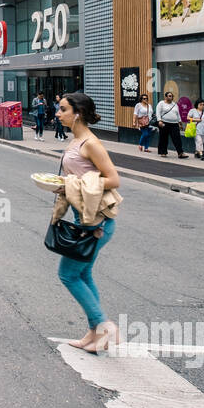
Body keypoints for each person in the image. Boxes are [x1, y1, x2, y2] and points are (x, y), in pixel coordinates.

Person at [54, 92, 122, 354]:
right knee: (82, 273)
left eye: (62, 109)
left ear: (77, 113)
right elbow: (79, 176)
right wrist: (64, 186)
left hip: (97, 221)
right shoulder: (75, 140)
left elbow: (113, 179)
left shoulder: (91, 143)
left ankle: (104, 326)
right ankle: (94, 335)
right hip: (83, 217)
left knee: (68, 274)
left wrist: (75, 184)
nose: (58, 114)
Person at [155, 90, 187, 158]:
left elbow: (178, 114)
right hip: (164, 123)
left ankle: (180, 153)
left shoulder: (175, 104)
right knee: (163, 138)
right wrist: (159, 120)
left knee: (177, 138)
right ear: (165, 97)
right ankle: (163, 152)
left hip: (174, 124)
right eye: (169, 96)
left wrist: (180, 123)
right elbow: (158, 112)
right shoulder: (161, 103)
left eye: (172, 96)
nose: (171, 97)